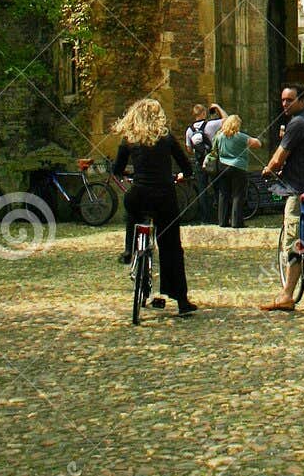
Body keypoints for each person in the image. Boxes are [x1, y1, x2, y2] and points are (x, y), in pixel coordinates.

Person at [112, 97, 197, 316]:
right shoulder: (166, 138)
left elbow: (117, 169)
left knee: (132, 210)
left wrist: (130, 173)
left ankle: (130, 250)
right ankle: (181, 300)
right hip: (164, 197)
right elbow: (187, 167)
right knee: (171, 247)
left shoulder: (129, 140)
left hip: (140, 194)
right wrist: (182, 175)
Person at [259, 86, 304, 313]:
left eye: (290, 100)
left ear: (302, 100)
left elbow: (279, 157)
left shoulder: (296, 124)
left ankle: (287, 295)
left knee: (293, 240)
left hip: (297, 188)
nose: (285, 104)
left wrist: (268, 168)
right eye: (283, 100)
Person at [212, 114, 262, 229]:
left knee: (223, 194)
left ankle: (222, 221)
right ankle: (236, 222)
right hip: (238, 167)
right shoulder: (240, 137)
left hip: (222, 167)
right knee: (237, 195)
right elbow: (257, 144)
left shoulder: (219, 136)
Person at [185, 103, 218, 224]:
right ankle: (219, 215)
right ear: (204, 113)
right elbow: (227, 119)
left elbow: (188, 149)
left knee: (202, 190)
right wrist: (217, 107)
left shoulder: (189, 130)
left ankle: (205, 218)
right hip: (211, 161)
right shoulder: (211, 125)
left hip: (199, 162)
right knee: (217, 187)